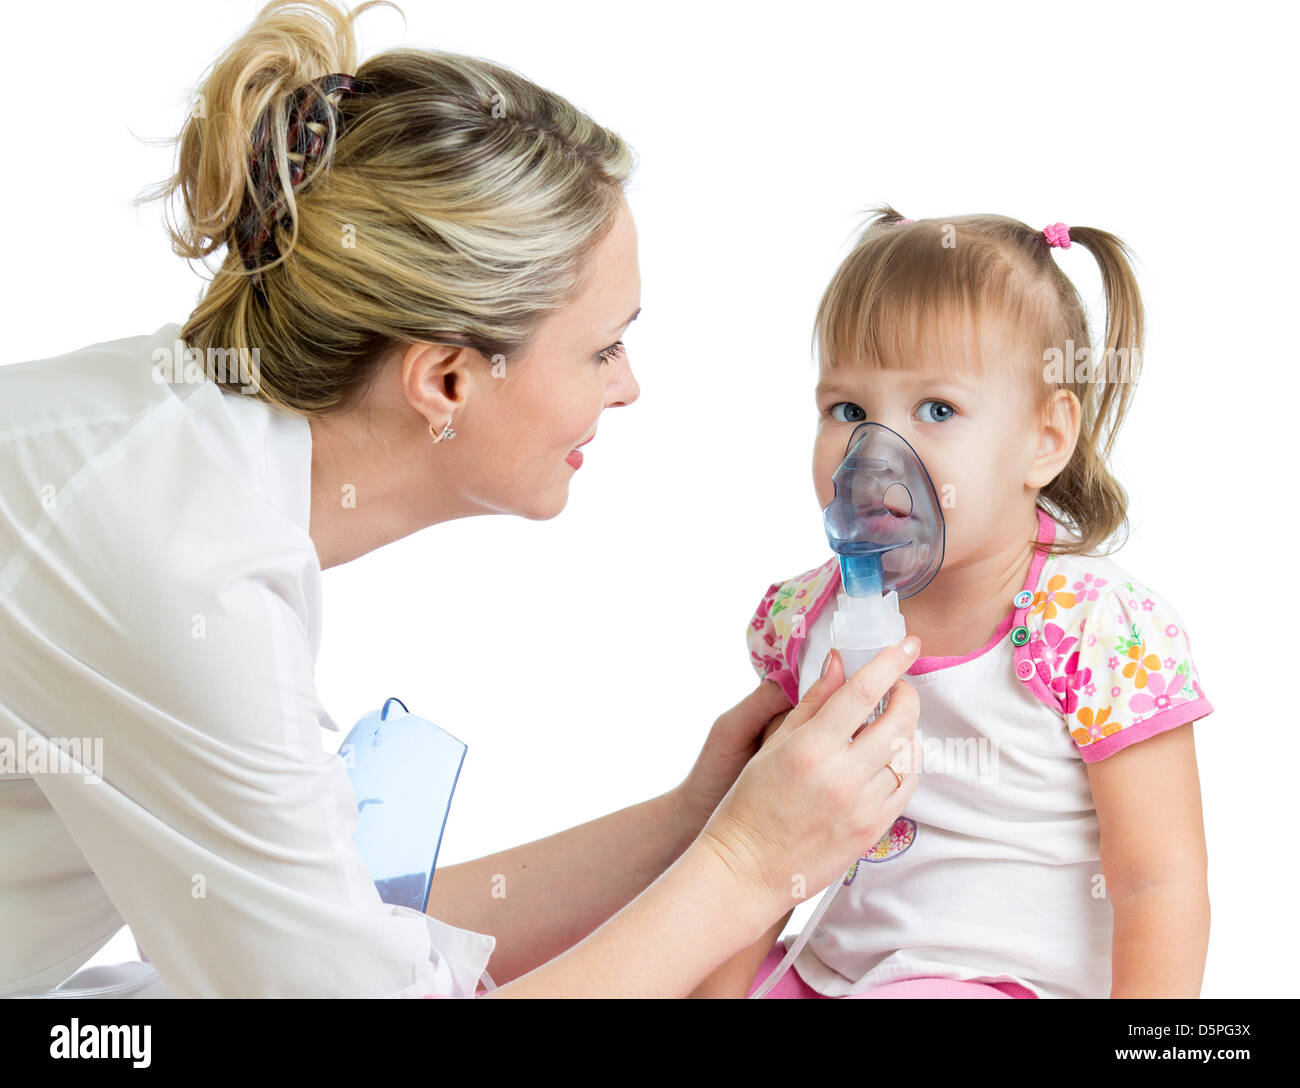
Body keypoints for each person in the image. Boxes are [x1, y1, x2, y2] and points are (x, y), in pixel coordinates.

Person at [0, 0, 922, 998]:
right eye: (602, 348)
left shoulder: (180, 463)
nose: (627, 387)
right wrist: (745, 865)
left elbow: (344, 941)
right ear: (445, 381)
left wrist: (701, 813)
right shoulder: (180, 573)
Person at [693, 207, 1214, 999]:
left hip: (999, 982)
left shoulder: (1095, 633)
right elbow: (761, 849)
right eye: (847, 410)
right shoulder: (806, 617)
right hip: (829, 971)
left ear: (1045, 437)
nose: (874, 452)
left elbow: (1159, 881)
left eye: (936, 410)